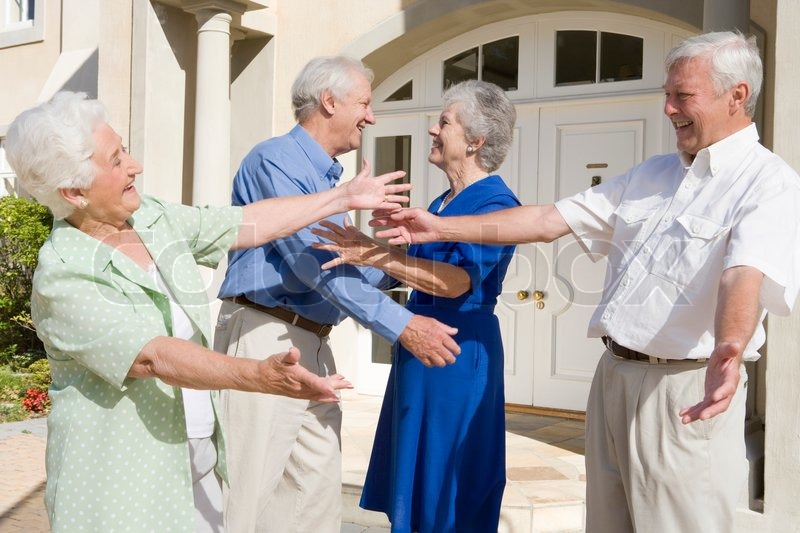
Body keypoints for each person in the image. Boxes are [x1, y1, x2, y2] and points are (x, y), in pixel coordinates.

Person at [370, 31, 800, 533]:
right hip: (614, 376)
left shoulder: (768, 181)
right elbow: (548, 220)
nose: (667, 108)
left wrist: (730, 345)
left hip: (685, 388)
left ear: (737, 95)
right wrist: (441, 226)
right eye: (666, 94)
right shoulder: (654, 173)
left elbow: (743, 273)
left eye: (682, 96)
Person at [3, 91, 410, 533]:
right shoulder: (64, 274)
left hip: (193, 464)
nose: (135, 165)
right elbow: (153, 356)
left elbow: (243, 223)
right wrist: (261, 376)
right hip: (119, 488)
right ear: (74, 192)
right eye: (117, 159)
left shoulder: (150, 218)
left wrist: (341, 197)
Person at [214, 55, 460, 533]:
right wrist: (403, 326)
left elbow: (344, 266)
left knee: (315, 497)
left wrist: (396, 256)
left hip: (312, 344)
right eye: (365, 103)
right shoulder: (275, 161)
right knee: (243, 495)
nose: (371, 117)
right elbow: (315, 264)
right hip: (267, 336)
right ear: (329, 102)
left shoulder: (328, 179)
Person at [312, 79, 520, 532]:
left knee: (448, 482)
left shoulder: (496, 202)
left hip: (457, 352)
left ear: (475, 142)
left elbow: (456, 283)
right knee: (417, 477)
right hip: (419, 347)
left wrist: (374, 253)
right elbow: (409, 271)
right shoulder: (443, 201)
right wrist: (375, 246)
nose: (432, 128)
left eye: (444, 122)